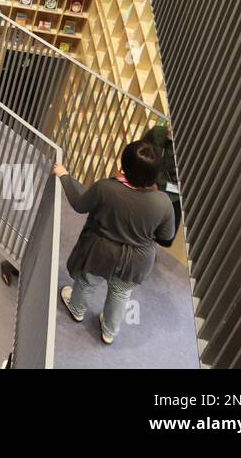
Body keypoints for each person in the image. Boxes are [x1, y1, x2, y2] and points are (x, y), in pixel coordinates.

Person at [54, 140, 176, 345]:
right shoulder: (163, 202)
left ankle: (77, 309)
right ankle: (109, 331)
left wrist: (64, 176)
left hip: (101, 251)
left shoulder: (106, 188)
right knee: (121, 293)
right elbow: (166, 239)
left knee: (88, 281)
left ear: (124, 166)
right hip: (138, 259)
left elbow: (78, 204)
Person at [142, 119, 182, 237]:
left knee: (165, 236)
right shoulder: (157, 134)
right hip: (148, 184)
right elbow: (139, 152)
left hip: (172, 194)